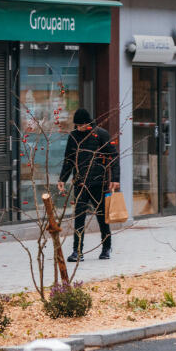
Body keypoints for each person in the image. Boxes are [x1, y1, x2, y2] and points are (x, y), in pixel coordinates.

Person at [58, 108, 119, 261]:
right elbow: (69, 160)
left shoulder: (101, 134)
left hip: (99, 183)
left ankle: (106, 248)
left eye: (81, 125)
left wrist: (115, 179)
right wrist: (62, 180)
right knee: (79, 218)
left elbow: (113, 157)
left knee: (102, 217)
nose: (79, 128)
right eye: (76, 125)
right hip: (80, 183)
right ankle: (77, 252)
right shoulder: (73, 136)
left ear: (87, 123)